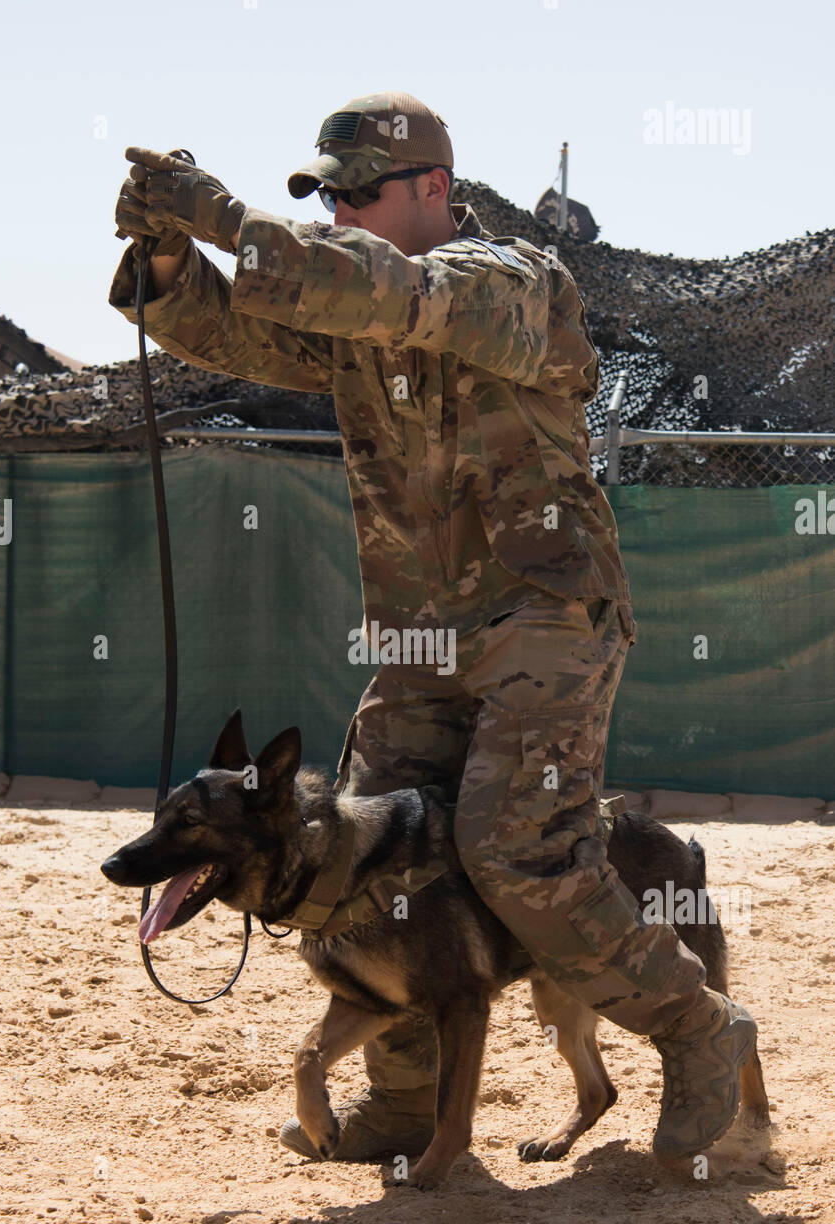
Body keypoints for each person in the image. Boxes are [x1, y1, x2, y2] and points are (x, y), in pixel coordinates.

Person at [111, 91, 757, 1164]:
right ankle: (405, 1106)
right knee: (364, 858)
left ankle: (696, 1030)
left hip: (542, 617)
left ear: (434, 190)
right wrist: (170, 255)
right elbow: (232, 327)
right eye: (323, 194)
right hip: (419, 637)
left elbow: (388, 294)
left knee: (514, 847)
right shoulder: (358, 323)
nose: (337, 210)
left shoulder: (513, 286)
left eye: (358, 191)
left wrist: (222, 215)